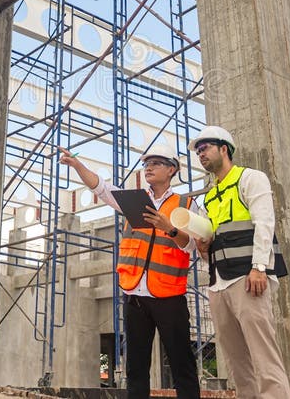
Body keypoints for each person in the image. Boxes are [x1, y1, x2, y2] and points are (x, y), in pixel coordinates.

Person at [59, 143, 201, 399]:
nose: (148, 168)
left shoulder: (186, 204)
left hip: (168, 296)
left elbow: (193, 244)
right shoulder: (135, 200)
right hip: (135, 294)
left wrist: (169, 227)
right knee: (135, 368)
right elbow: (102, 189)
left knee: (183, 366)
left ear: (172, 169)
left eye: (156, 163)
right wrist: (78, 165)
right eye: (146, 164)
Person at [189, 125, 290, 399]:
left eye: (205, 148)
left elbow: (264, 223)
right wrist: (203, 246)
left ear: (224, 149)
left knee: (263, 354)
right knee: (237, 360)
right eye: (198, 151)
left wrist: (259, 267)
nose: (201, 155)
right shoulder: (210, 195)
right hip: (219, 283)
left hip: (248, 278)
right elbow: (214, 242)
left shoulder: (251, 178)